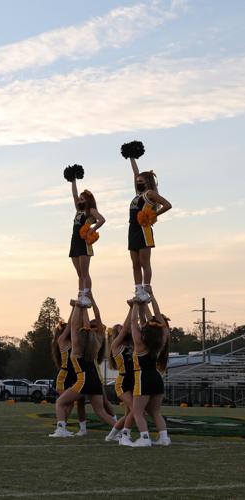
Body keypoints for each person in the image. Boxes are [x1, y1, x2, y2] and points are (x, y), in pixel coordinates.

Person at [51, 301, 115, 437]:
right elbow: (73, 327)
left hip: (82, 377)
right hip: (77, 376)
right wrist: (81, 307)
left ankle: (61, 428)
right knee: (98, 410)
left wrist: (77, 307)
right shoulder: (86, 344)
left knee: (63, 403)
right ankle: (122, 430)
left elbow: (72, 326)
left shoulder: (78, 346)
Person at [120, 293, 171, 447]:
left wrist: (135, 304)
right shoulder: (161, 340)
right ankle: (164, 438)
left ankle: (144, 438)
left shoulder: (140, 344)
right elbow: (158, 321)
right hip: (157, 379)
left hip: (143, 379)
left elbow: (133, 322)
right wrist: (149, 301)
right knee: (155, 412)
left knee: (137, 411)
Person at [125, 147, 172, 302]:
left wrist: (152, 215)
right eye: (137, 181)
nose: (138, 182)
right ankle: (138, 290)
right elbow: (134, 173)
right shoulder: (137, 195)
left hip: (144, 230)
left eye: (141, 181)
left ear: (148, 182)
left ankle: (146, 286)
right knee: (135, 264)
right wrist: (131, 158)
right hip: (132, 230)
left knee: (145, 262)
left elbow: (167, 205)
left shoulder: (150, 194)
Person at [66, 168, 105, 307]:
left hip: (84, 242)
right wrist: (73, 180)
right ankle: (80, 293)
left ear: (88, 200)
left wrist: (91, 230)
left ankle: (86, 294)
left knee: (84, 271)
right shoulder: (78, 210)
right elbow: (74, 194)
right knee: (79, 273)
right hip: (74, 242)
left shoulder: (90, 211)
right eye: (80, 199)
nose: (80, 200)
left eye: (83, 199)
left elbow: (102, 219)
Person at [105, 302, 136, 442]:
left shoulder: (133, 343)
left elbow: (134, 325)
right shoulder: (116, 345)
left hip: (135, 381)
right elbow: (127, 326)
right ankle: (125, 436)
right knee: (136, 409)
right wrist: (132, 308)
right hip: (123, 383)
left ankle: (111, 436)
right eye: (121, 328)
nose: (124, 328)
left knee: (130, 413)